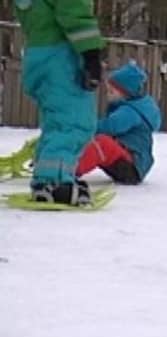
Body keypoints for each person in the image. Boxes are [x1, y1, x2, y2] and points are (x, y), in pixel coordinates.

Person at [14, 0, 105, 205]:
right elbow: (74, 11)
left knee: (56, 122)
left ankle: (52, 173)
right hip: (61, 56)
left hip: (38, 53)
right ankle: (53, 181)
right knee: (73, 123)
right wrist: (91, 53)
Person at [76, 61, 162, 184]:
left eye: (111, 92)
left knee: (102, 144)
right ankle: (57, 165)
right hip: (127, 161)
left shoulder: (130, 112)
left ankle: (68, 172)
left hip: (132, 165)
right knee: (93, 143)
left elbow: (110, 126)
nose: (107, 95)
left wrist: (86, 127)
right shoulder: (127, 108)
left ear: (126, 94)